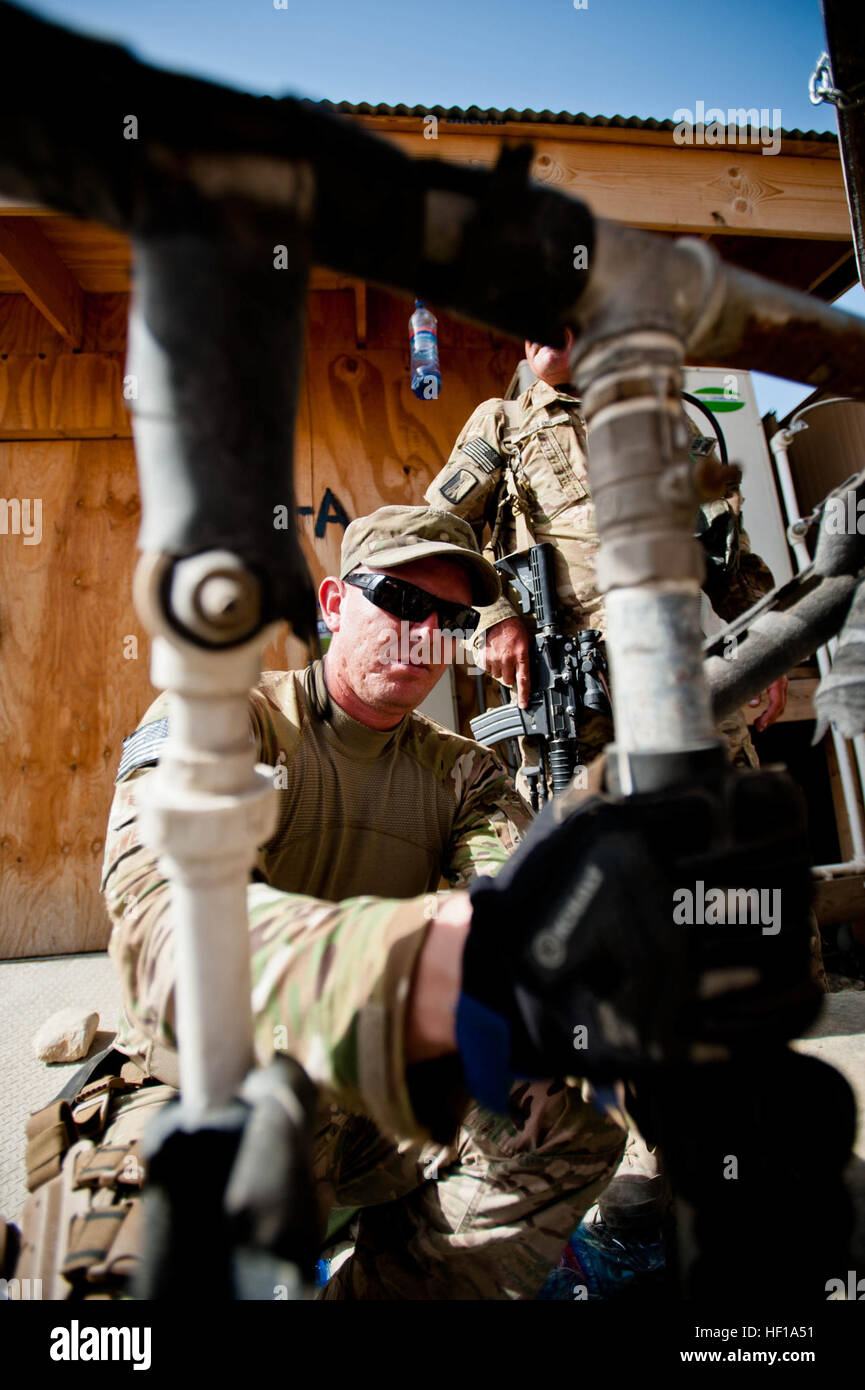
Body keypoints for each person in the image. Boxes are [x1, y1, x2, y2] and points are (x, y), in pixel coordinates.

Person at [17, 505, 631, 1302]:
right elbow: (162, 913)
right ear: (335, 603)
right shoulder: (227, 721)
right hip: (219, 1083)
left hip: (383, 1092)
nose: (423, 635)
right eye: (402, 602)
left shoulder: (467, 774)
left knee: (569, 1114)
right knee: (118, 1284)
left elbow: (503, 907)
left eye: (448, 620)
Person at [425, 329, 789, 772]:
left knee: (726, 820)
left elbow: (726, 550)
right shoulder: (504, 422)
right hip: (569, 686)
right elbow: (439, 533)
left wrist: (767, 642)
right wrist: (494, 620)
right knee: (590, 830)